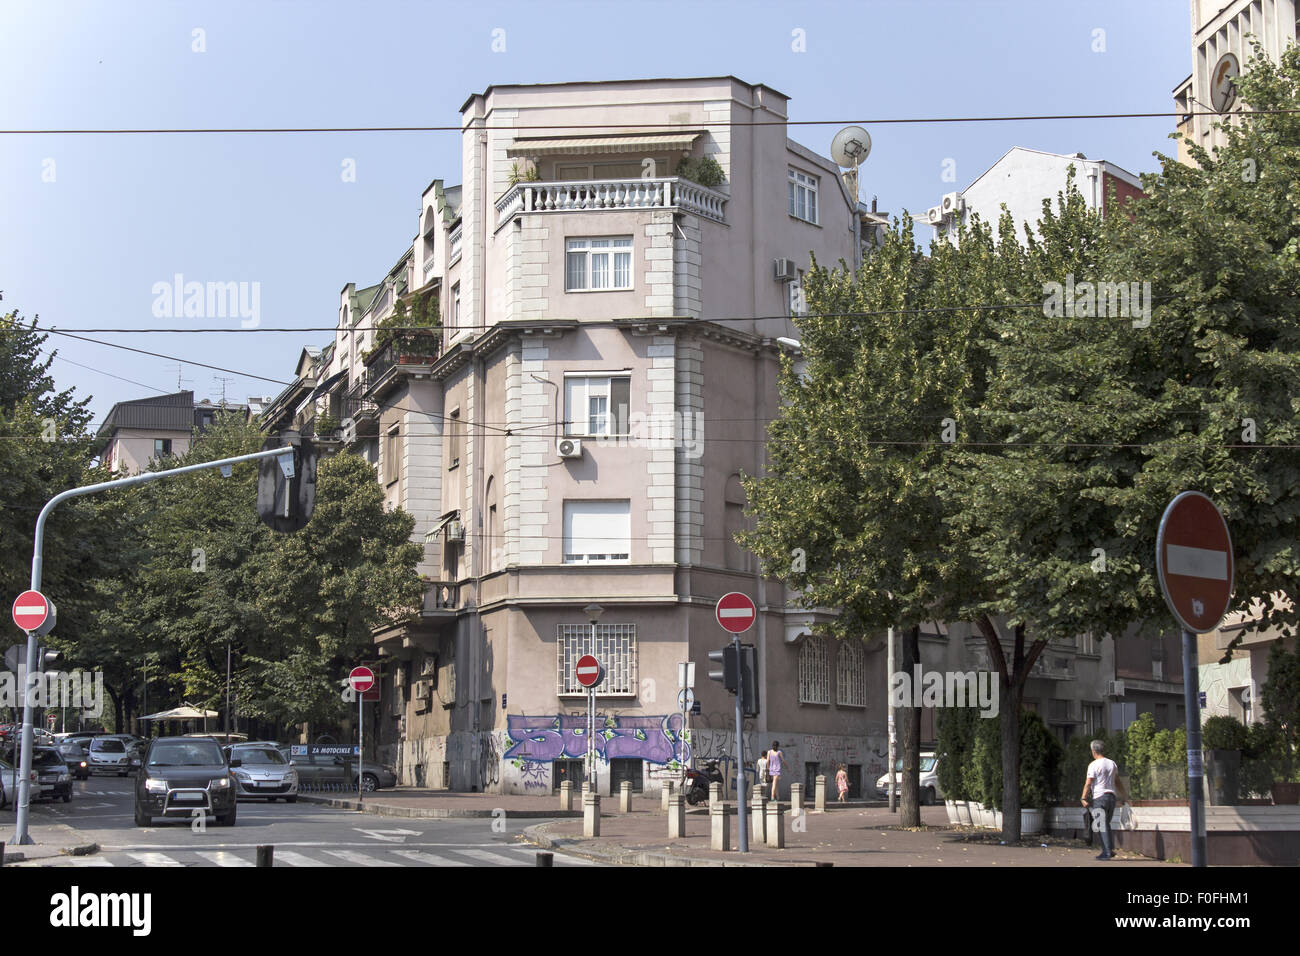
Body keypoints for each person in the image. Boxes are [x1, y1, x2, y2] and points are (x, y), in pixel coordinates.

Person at [1081, 739, 1119, 860]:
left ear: (1093, 751)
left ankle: (1106, 853)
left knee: (1101, 825)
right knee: (1105, 824)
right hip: (1112, 797)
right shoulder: (1112, 763)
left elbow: (1088, 783)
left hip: (1099, 798)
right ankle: (1110, 849)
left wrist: (1083, 797)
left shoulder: (1093, 765)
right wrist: (1124, 796)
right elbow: (1117, 781)